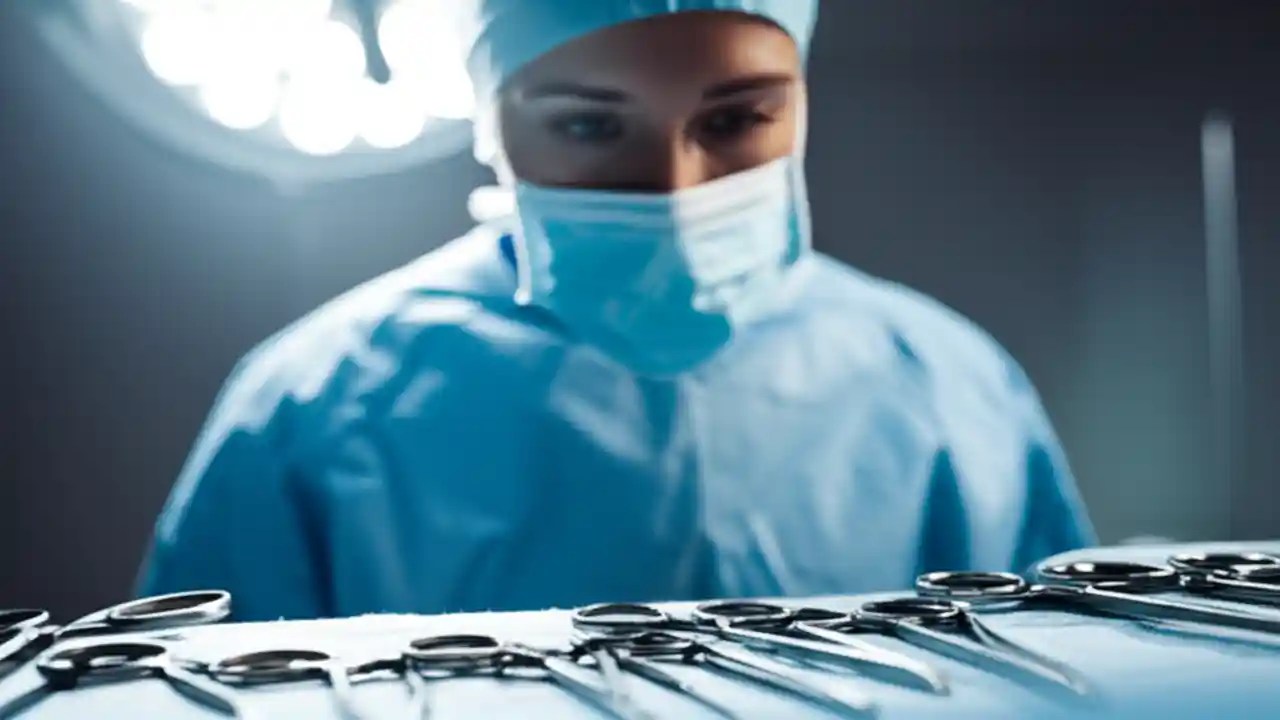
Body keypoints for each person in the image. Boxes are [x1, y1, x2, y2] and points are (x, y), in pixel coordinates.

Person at [137, 0, 1095, 621]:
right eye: (589, 125)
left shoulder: (946, 385)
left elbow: (1068, 678)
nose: (673, 187)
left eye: (735, 119)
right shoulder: (317, 406)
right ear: (488, 120)